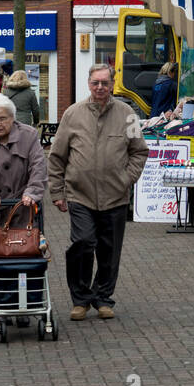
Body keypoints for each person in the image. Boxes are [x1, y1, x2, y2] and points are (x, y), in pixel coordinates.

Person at [47, 63, 148, 320]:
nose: (100, 87)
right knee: (83, 243)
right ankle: (80, 299)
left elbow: (139, 151)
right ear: (89, 84)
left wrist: (127, 179)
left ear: (112, 84)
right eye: (95, 83)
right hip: (80, 194)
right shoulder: (72, 114)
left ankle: (103, 298)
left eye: (105, 82)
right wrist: (57, 191)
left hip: (115, 195)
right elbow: (57, 156)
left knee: (109, 249)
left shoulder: (128, 114)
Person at [0, 93, 47, 326]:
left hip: (24, 210)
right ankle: (2, 304)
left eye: (2, 119)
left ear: (13, 118)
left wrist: (32, 193)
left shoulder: (29, 135)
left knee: (26, 256)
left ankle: (25, 304)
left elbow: (38, 168)